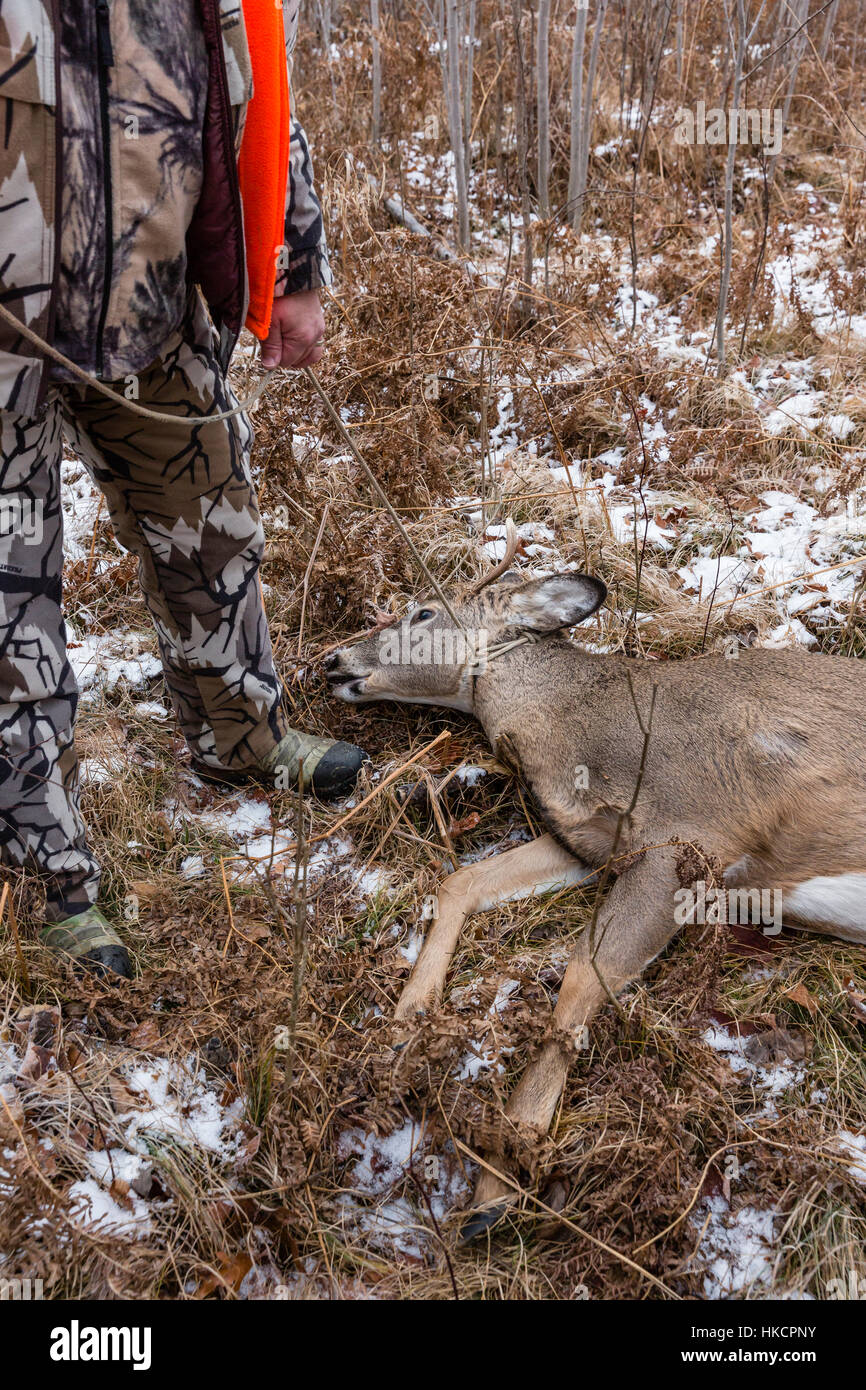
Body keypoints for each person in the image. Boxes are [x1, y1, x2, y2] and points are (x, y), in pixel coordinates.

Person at [0, 0, 365, 978]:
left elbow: (252, 75)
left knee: (211, 522)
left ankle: (239, 733)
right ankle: (46, 864)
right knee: (7, 607)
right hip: (6, 329)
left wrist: (293, 259)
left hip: (154, 297)